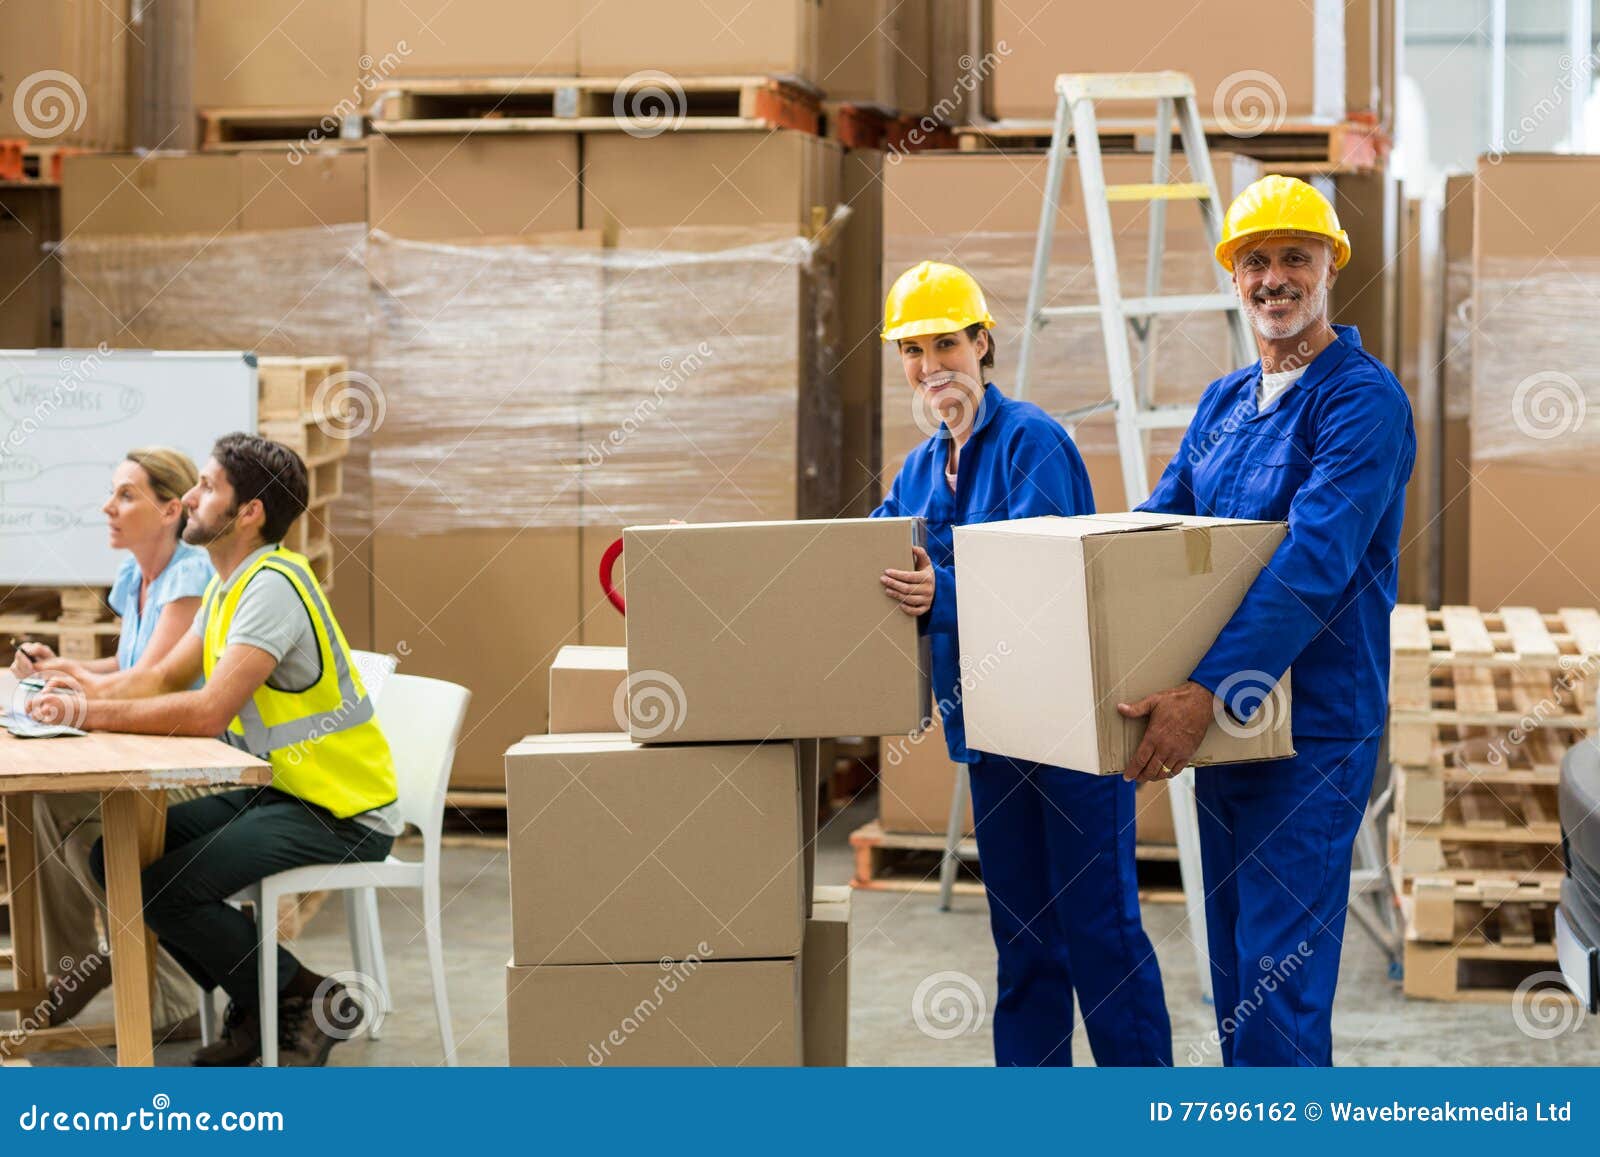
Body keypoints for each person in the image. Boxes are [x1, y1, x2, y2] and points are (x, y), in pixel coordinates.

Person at [1118, 175, 1415, 1066]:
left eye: (1295, 256)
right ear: (1234, 277)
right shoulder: (1222, 403)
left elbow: (1313, 563)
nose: (1274, 277)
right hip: (1226, 728)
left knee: (1278, 984)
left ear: (1331, 268)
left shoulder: (1361, 401)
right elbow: (1157, 530)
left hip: (1310, 728)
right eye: (1255, 260)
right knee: (1239, 965)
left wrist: (1210, 689)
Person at [872, 260, 1172, 1067]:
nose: (931, 364)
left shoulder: (1032, 440)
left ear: (982, 344)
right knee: (1025, 942)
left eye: (945, 343)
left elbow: (1047, 587)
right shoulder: (916, 468)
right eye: (912, 349)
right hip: (997, 732)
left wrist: (943, 594)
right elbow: (862, 557)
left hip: (1071, 726)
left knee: (1100, 937)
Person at [27, 433, 402, 1068]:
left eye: (207, 487)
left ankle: (299, 997)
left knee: (161, 889)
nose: (192, 499)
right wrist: (77, 689)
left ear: (248, 512)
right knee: (112, 861)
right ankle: (266, 1004)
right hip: (279, 793)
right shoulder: (231, 584)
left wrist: (87, 712)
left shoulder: (273, 587)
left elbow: (206, 712)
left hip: (341, 811)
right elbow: (160, 677)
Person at [10, 448, 213, 1037]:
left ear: (171, 508)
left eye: (126, 495)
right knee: (45, 801)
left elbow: (153, 680)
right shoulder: (136, 576)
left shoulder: (189, 578)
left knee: (79, 817)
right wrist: (67, 665)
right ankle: (77, 967)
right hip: (141, 748)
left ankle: (167, 991)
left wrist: (77, 689)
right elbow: (127, 661)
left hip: (186, 766)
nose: (109, 506)